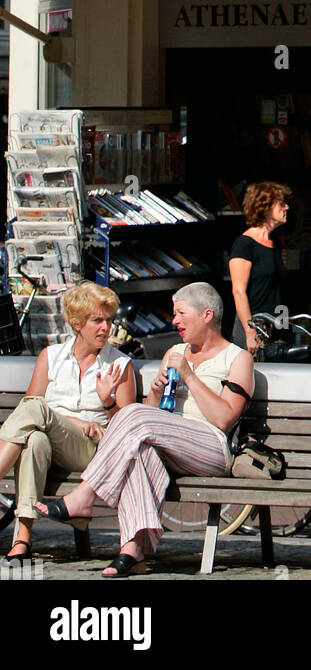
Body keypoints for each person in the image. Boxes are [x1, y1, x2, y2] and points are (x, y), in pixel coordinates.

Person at [35, 282, 253, 578]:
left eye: (180, 313)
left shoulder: (238, 358)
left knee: (134, 416)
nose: (173, 321)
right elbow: (153, 414)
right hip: (167, 444)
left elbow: (225, 418)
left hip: (210, 448)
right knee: (139, 450)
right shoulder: (175, 352)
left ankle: (86, 494)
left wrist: (189, 376)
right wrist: (154, 392)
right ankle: (132, 551)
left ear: (206, 315)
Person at [0, 280, 136, 564]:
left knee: (38, 411)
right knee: (34, 439)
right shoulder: (51, 357)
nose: (105, 327)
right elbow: (31, 411)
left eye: (108, 320)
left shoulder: (119, 365)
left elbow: (129, 427)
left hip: (91, 452)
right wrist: (71, 419)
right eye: (96, 320)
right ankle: (22, 539)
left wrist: (108, 401)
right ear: (76, 323)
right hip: (51, 445)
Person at [229, 180, 291, 352]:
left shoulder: (276, 244)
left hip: (278, 326)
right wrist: (250, 332)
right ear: (265, 207)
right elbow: (238, 291)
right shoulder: (244, 244)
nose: (286, 207)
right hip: (255, 328)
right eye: (281, 204)